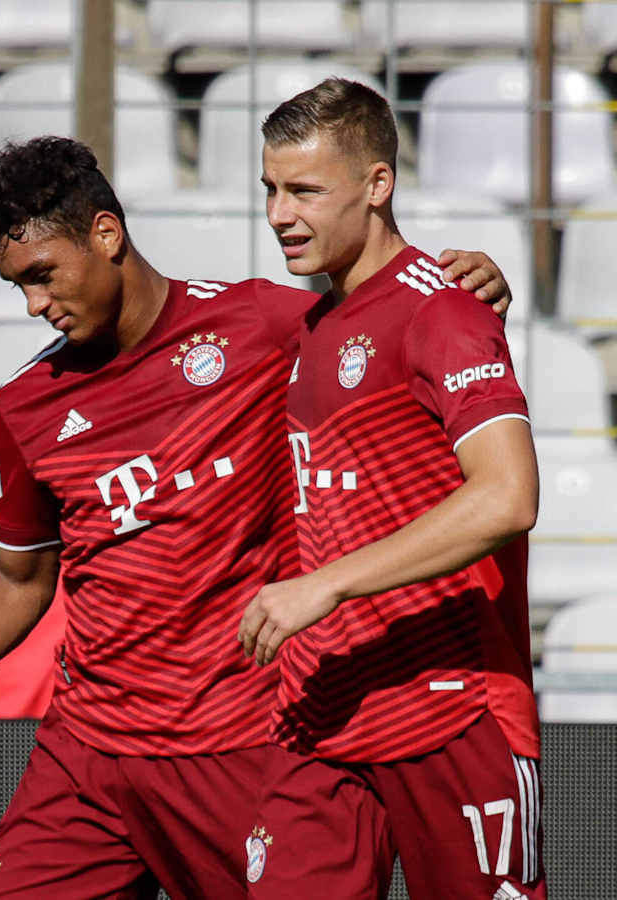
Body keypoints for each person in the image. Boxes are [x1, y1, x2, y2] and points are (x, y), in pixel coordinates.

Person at [0, 136, 513, 899]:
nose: (35, 305)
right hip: (85, 758)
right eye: (18, 288)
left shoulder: (263, 327)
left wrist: (462, 290)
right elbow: (18, 577)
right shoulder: (25, 406)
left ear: (106, 235)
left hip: (240, 746)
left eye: (43, 276)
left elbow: (399, 334)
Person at [238, 78, 544, 899]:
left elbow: (509, 497)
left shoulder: (444, 312)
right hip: (323, 715)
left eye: (304, 190)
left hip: (451, 710)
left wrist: (324, 586)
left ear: (378, 185)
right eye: (269, 188)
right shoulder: (307, 325)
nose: (279, 214)